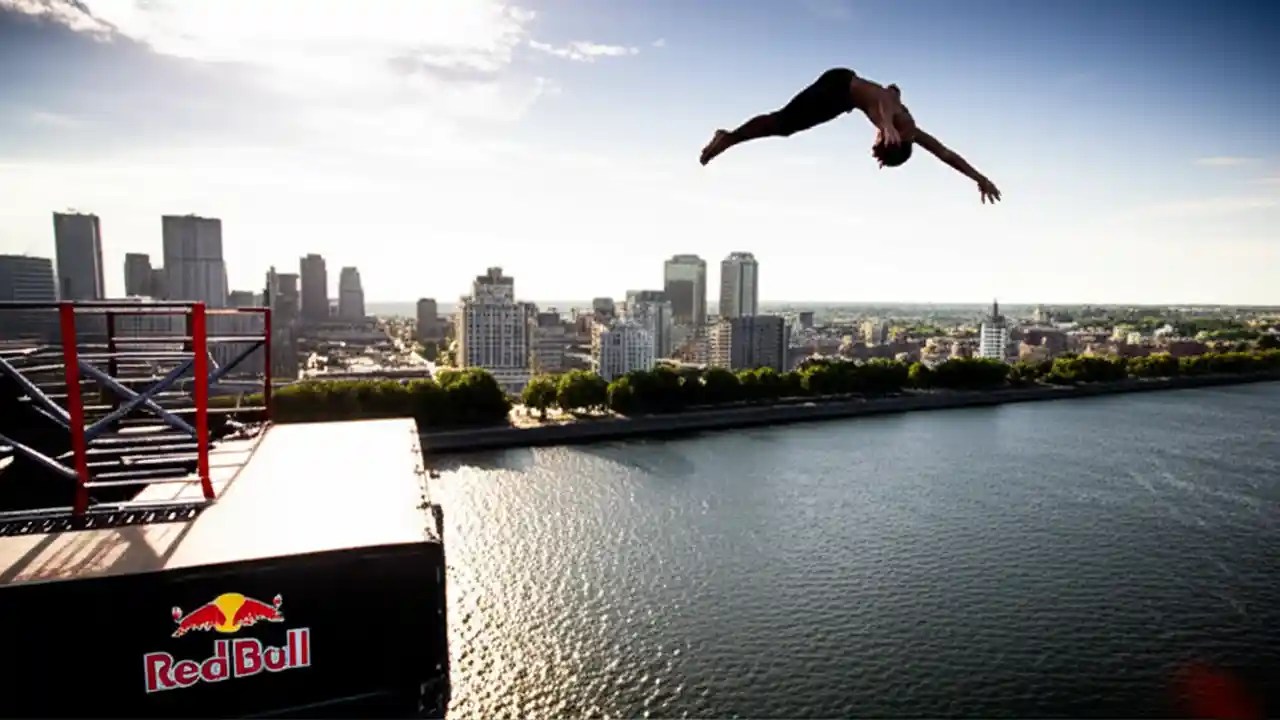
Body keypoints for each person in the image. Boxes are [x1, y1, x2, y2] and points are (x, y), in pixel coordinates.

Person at [699, 67, 1002, 204]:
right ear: (889, 143)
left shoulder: (914, 134)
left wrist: (980, 178)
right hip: (839, 85)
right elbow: (885, 97)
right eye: (877, 147)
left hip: (841, 98)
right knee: (782, 124)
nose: (873, 142)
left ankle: (730, 137)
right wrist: (885, 124)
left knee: (785, 127)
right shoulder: (893, 120)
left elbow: (947, 155)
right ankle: (728, 137)